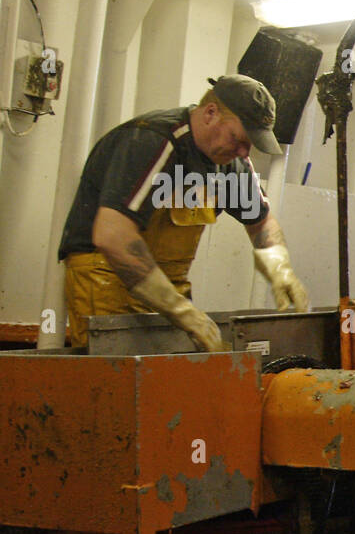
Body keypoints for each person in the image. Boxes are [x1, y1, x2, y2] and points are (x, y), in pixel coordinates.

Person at [59, 74, 308, 349]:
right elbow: (112, 235)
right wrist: (183, 312)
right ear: (211, 113)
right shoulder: (154, 140)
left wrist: (279, 268)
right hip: (107, 278)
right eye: (238, 138)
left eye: (249, 145)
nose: (242, 151)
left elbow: (260, 222)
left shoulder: (230, 164)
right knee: (114, 384)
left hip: (167, 286)